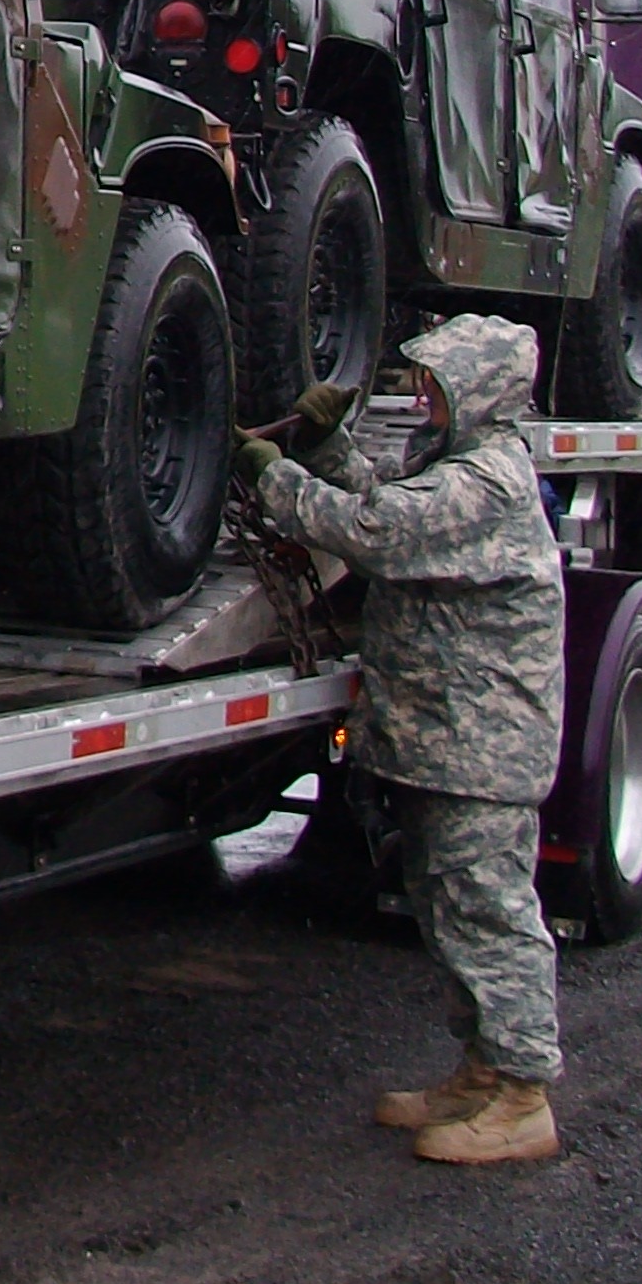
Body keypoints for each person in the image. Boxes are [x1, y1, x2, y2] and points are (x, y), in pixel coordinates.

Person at [236, 313, 567, 1166]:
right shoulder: (456, 469)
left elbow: (380, 532)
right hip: (447, 740)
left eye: (437, 383)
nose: (421, 396)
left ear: (481, 393)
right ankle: (481, 1072)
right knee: (449, 910)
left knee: (489, 915)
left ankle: (524, 1097)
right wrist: (331, 445)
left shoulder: (488, 481)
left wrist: (274, 478)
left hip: (480, 750)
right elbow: (389, 497)